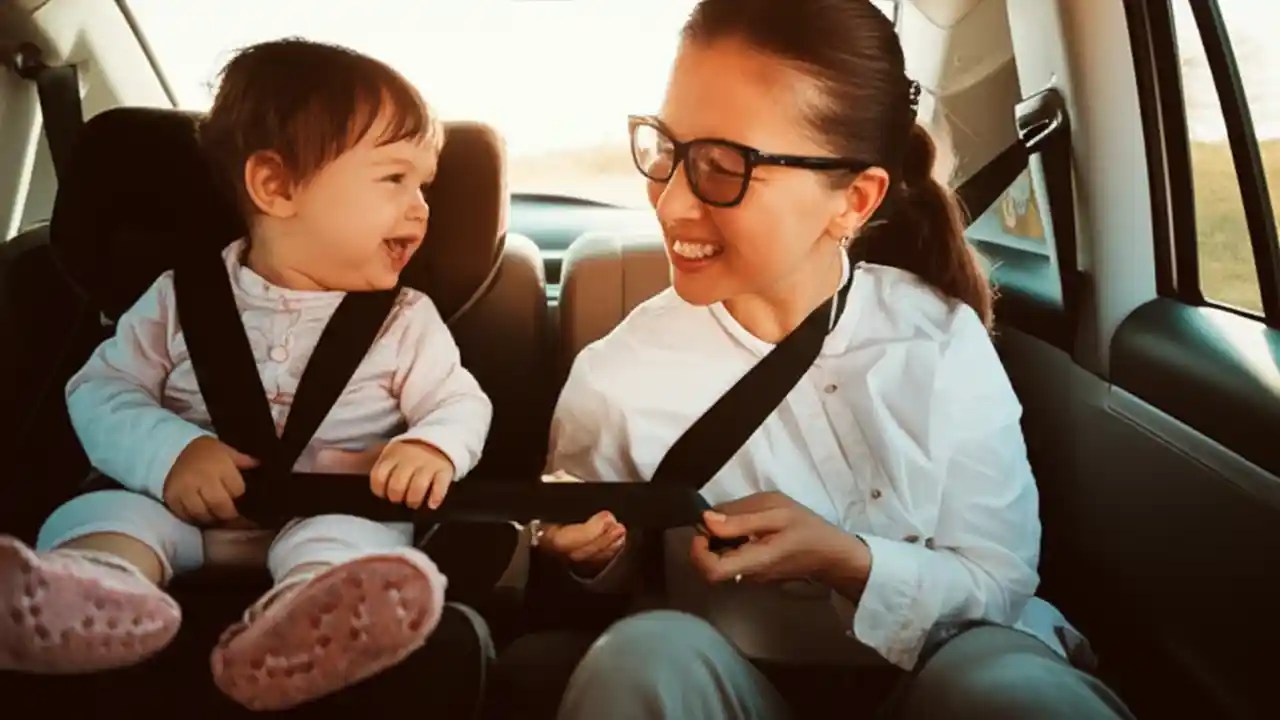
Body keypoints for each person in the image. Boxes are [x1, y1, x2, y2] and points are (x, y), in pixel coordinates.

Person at [509, 1, 1135, 718]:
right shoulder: (616, 376)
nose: (670, 201)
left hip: (951, 675)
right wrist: (592, 553)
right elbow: (602, 573)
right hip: (733, 683)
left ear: (854, 200)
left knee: (1016, 693)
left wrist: (849, 561)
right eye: (665, 148)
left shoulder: (938, 338)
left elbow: (1000, 581)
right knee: (641, 660)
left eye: (725, 166)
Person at [0, 39, 493, 712]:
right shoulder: (182, 297)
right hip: (170, 507)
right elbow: (100, 389)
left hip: (329, 509)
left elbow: (459, 402)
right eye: (393, 179)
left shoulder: (405, 320)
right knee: (102, 516)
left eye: (424, 185)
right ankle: (92, 600)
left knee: (351, 547)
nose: (422, 207)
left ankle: (304, 630)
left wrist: (430, 446)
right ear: (277, 186)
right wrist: (172, 453)